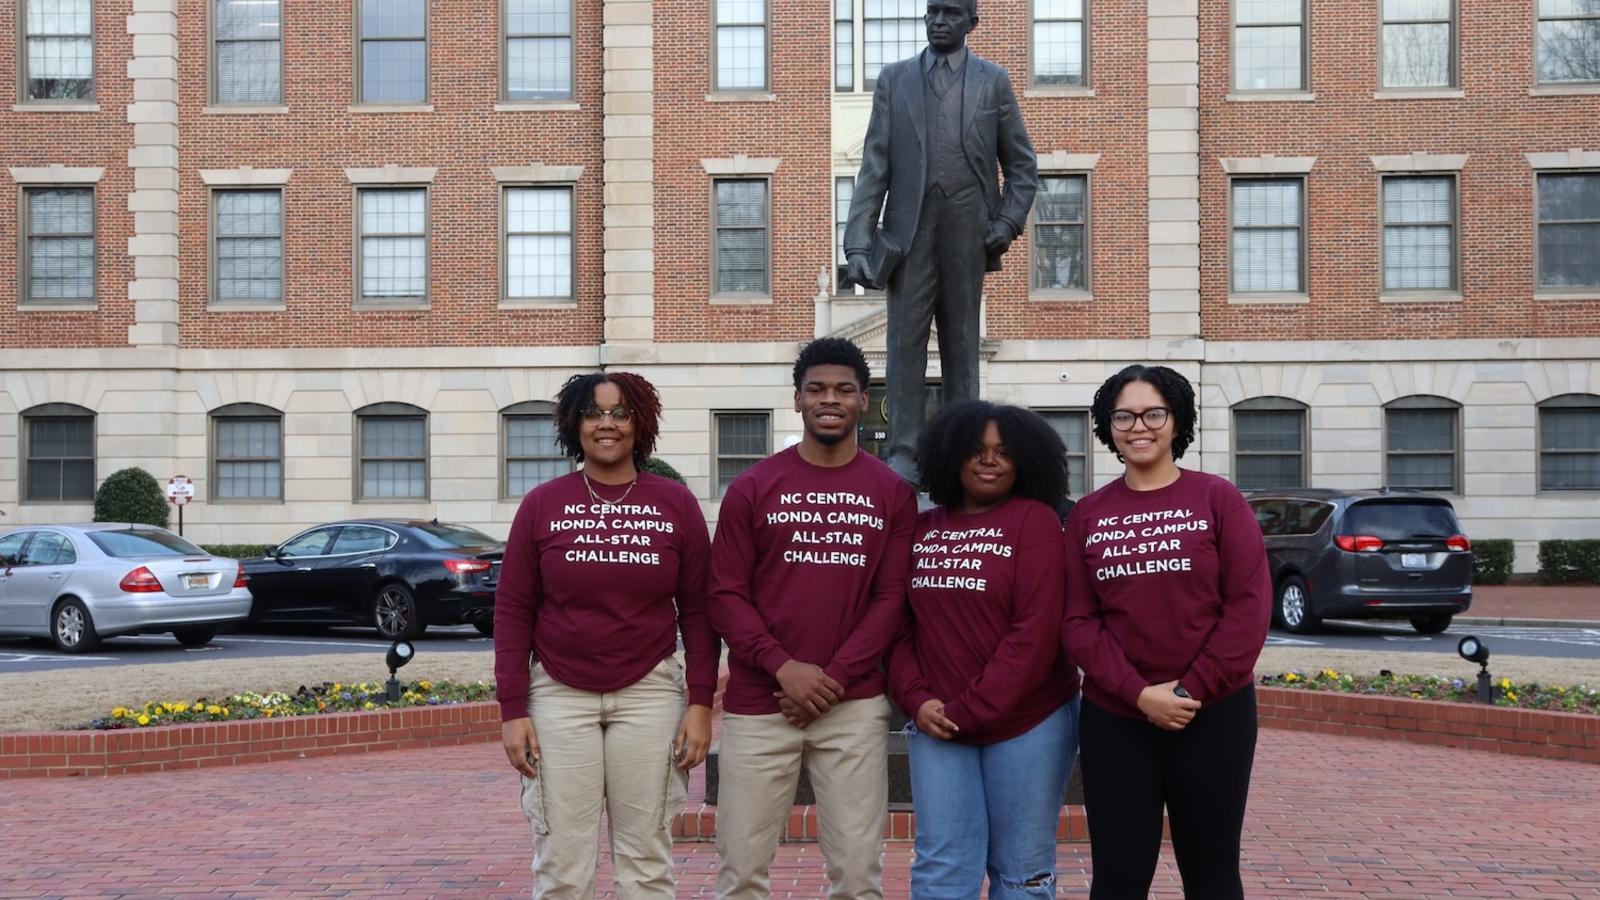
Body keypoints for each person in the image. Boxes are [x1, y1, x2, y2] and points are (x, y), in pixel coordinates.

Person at [494, 371, 717, 899]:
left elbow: (701, 613)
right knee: (562, 865)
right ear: (576, 424)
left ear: (642, 424)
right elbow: (513, 610)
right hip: (558, 695)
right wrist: (512, 709)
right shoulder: (543, 504)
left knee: (646, 862)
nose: (607, 424)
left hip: (649, 693)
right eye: (594, 413)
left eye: (621, 413)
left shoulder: (676, 505)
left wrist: (701, 703)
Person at [709, 337, 918, 900]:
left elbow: (892, 597)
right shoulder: (752, 488)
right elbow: (725, 594)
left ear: (864, 400)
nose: (831, 399)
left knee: (856, 874)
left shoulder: (892, 492)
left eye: (844, 389)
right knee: (742, 871)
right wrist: (784, 669)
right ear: (798, 399)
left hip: (852, 706)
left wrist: (833, 677)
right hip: (760, 703)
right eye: (817, 389)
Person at [1061, 365, 1272, 899]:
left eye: (1154, 413)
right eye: (1124, 415)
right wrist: (1138, 693)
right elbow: (1078, 622)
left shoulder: (1217, 499)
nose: (1139, 426)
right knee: (1118, 876)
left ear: (1177, 422)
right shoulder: (1088, 514)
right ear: (1107, 427)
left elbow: (1248, 608)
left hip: (1213, 713)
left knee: (1212, 873)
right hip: (1117, 720)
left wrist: (1187, 691)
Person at [888, 400, 1080, 899]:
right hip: (938, 722)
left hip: (1027, 722)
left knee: (1022, 868)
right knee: (941, 866)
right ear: (951, 456)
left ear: (1024, 461)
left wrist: (969, 710)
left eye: (1003, 452)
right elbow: (901, 627)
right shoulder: (925, 528)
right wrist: (916, 699)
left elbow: (1034, 633)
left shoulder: (1035, 523)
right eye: (976, 450)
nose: (989, 460)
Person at [843, 0, 1039, 481]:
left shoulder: (993, 80)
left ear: (972, 22)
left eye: (951, 13)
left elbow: (1022, 168)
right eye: (932, 12)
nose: (938, 21)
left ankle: (965, 443)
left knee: (962, 343)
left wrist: (1005, 224)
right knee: (904, 342)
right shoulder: (895, 79)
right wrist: (857, 244)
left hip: (968, 230)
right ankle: (904, 450)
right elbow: (874, 166)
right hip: (907, 234)